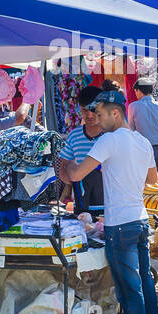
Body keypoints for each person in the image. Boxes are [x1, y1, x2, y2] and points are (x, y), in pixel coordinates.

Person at [62, 87, 158, 314]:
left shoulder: (110, 140)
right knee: (144, 281)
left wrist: (67, 162)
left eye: (101, 113)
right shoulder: (141, 142)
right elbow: (152, 181)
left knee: (130, 287)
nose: (97, 118)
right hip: (140, 219)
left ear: (116, 113)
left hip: (120, 224)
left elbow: (77, 174)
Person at [58, 85, 105, 216]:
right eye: (84, 110)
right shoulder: (74, 136)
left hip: (112, 209)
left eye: (93, 110)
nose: (89, 115)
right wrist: (71, 174)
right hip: (82, 209)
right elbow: (63, 170)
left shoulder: (112, 135)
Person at [127, 80, 158, 179]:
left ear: (138, 91)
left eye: (135, 91)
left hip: (141, 151)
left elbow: (131, 132)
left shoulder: (132, 107)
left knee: (142, 185)